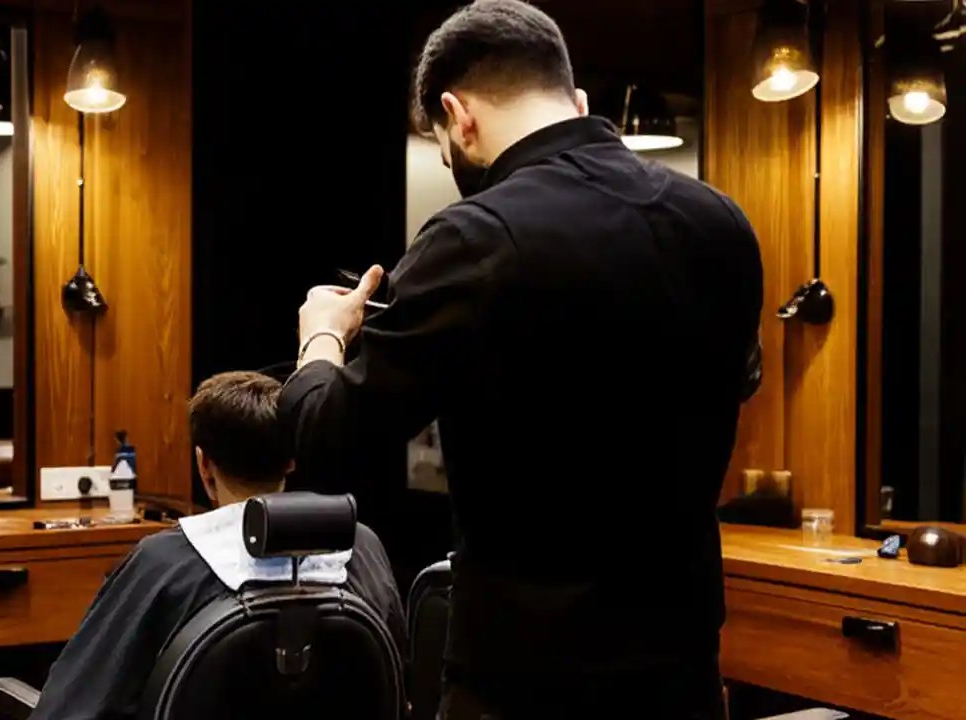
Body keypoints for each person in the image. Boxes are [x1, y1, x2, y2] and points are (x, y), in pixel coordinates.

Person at [279, 1, 763, 717]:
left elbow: (321, 436)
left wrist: (323, 335)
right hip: (682, 673)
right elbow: (736, 379)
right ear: (577, 101)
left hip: (526, 680)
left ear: (458, 114)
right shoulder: (720, 221)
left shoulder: (477, 237)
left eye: (446, 152)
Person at [30, 371, 406, 720]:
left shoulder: (164, 562)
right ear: (291, 461)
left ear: (203, 464)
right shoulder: (360, 547)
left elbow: (69, 708)